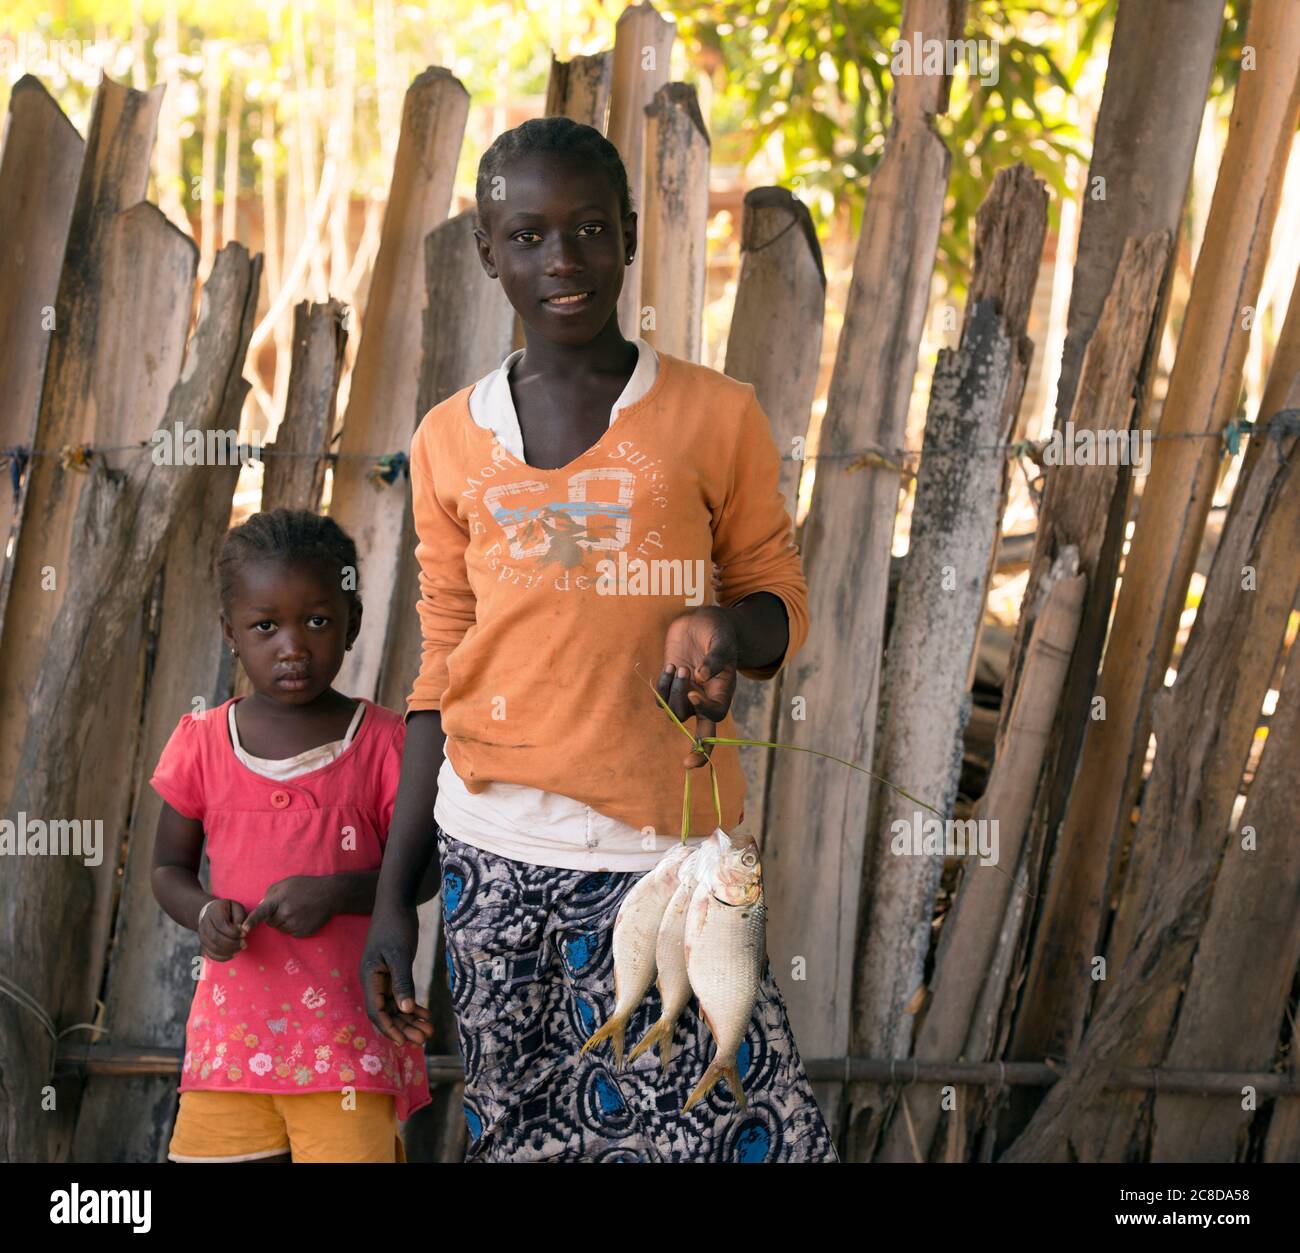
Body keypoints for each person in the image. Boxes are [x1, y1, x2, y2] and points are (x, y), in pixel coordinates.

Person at [362, 117, 837, 1162]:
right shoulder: (449, 438)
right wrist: (395, 901)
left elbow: (778, 601)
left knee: (732, 1127)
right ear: (488, 252)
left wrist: (725, 626)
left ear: (628, 234)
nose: (561, 259)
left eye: (586, 230)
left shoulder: (716, 415)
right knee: (530, 1138)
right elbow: (442, 663)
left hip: (662, 857)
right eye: (526, 236)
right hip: (493, 853)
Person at [150, 509, 433, 1162]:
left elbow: (421, 872)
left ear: (352, 623)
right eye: (265, 625)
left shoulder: (387, 743)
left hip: (348, 1045)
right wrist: (202, 911)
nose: (293, 646)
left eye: (317, 620)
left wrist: (335, 892)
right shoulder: (201, 743)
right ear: (231, 632)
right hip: (231, 1046)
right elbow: (168, 866)